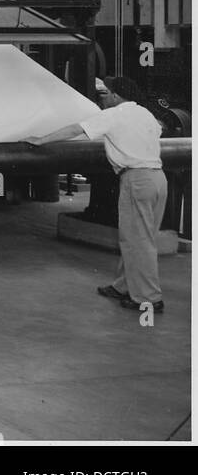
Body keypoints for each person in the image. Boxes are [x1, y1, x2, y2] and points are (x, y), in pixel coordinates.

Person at [22, 76, 166, 313]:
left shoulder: (115, 114)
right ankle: (123, 286)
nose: (103, 97)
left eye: (106, 93)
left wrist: (40, 140)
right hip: (157, 178)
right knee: (139, 237)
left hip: (137, 180)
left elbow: (76, 129)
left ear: (117, 96)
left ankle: (148, 299)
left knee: (137, 240)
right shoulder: (145, 114)